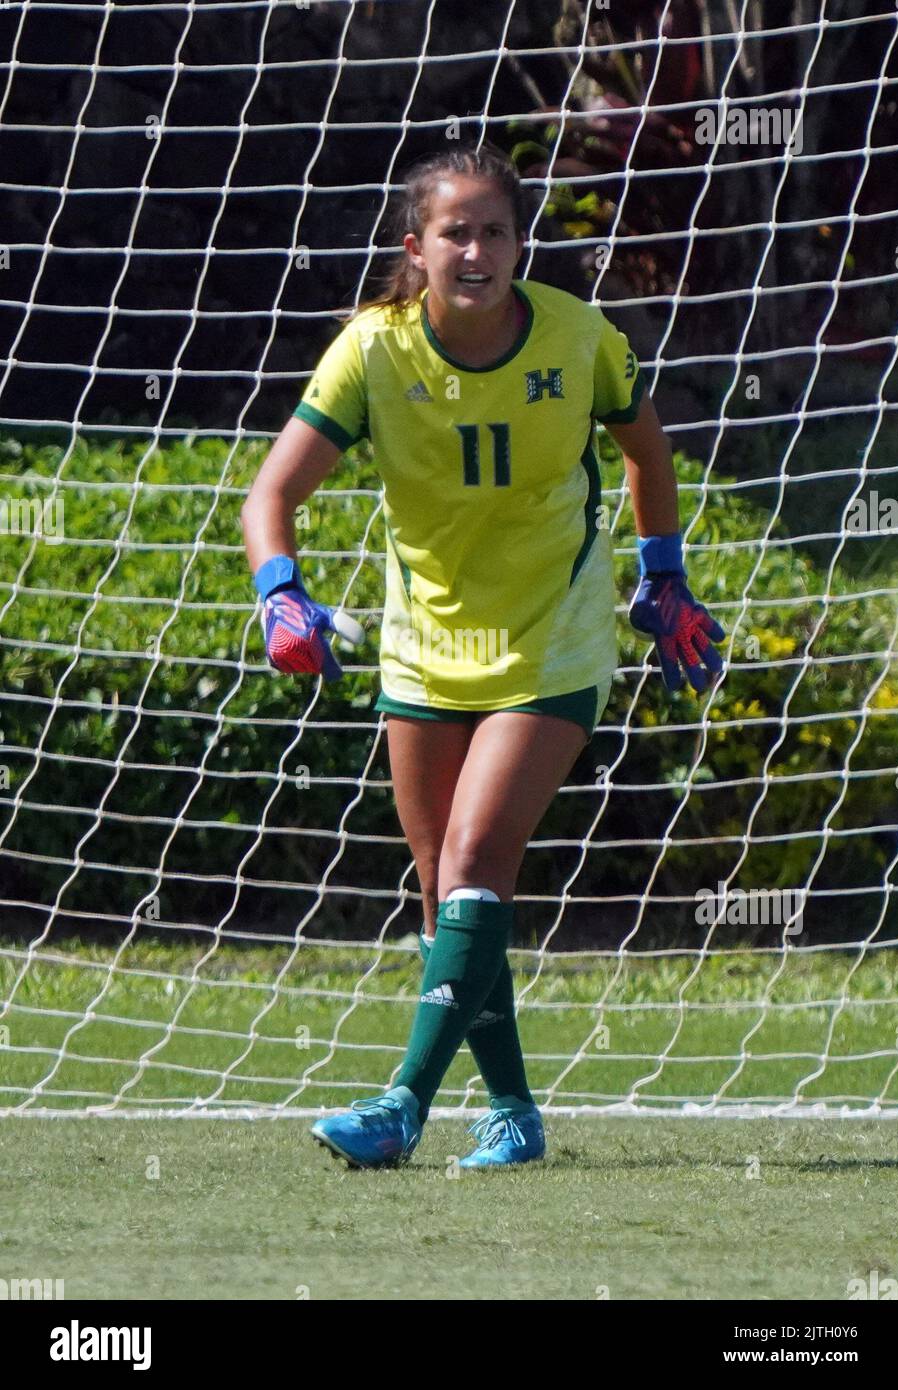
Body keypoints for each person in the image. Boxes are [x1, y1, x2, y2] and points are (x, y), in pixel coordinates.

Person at [241, 144, 724, 1170]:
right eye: (453, 232)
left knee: (468, 867)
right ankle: (511, 1113)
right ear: (414, 249)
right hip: (422, 648)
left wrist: (664, 576)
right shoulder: (370, 351)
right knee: (449, 898)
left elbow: (644, 450)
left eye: (494, 230)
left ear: (519, 243)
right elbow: (270, 494)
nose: (475, 249)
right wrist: (280, 593)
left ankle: (401, 1110)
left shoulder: (576, 334)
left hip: (552, 635)